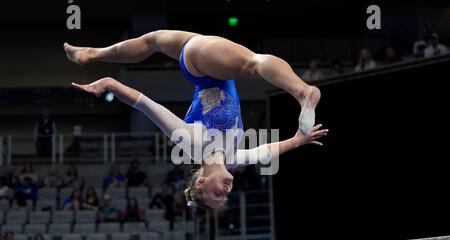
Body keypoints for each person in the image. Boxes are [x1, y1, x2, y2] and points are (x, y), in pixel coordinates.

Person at [66, 30, 328, 210]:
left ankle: (303, 92)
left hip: (201, 65)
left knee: (253, 65)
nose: (226, 192)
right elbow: (266, 150)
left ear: (201, 181)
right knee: (153, 40)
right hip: (205, 59)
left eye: (217, 194)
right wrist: (297, 140)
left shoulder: (190, 142)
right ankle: (91, 53)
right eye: (226, 196)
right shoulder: (233, 159)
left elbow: (147, 105)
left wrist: (109, 83)